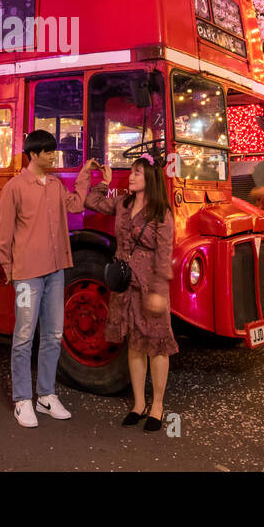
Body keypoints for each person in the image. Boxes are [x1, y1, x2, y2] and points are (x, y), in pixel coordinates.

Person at [0, 129, 88, 428]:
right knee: (23, 336)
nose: (52, 155)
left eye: (52, 151)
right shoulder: (15, 188)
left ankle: (46, 395)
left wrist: (85, 177)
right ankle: (22, 399)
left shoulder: (56, 185)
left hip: (55, 271)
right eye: (47, 151)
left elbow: (75, 205)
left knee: (53, 335)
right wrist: (9, 269)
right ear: (33, 154)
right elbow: (2, 232)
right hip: (26, 276)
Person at [82, 155, 178, 432]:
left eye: (136, 173)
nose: (131, 177)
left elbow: (163, 257)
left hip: (150, 285)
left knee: (156, 345)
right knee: (134, 343)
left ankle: (157, 405)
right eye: (132, 173)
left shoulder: (161, 213)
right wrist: (104, 182)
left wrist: (159, 291)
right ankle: (138, 404)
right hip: (125, 283)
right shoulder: (123, 203)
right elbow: (92, 202)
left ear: (150, 178)